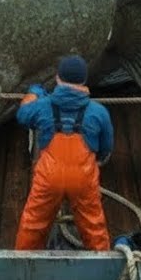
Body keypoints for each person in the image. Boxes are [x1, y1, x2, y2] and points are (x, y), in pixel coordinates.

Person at [14, 55, 114, 252]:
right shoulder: (99, 111)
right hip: (83, 178)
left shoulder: (43, 105)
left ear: (58, 78)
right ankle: (102, 267)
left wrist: (34, 92)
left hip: (49, 177)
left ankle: (22, 265)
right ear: (84, 81)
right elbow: (106, 147)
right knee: (94, 225)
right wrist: (98, 160)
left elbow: (23, 115)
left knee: (33, 222)